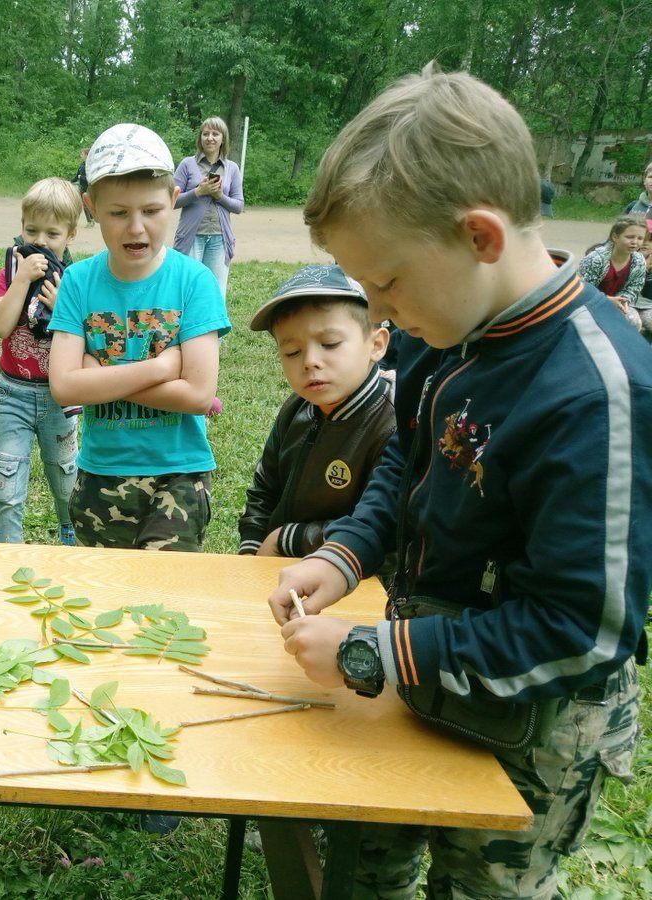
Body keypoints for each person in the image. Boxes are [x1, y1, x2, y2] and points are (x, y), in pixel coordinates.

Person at [269, 64, 649, 898]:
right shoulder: (444, 327)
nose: (376, 310)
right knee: (367, 866)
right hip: (424, 676)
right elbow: (411, 457)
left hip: (531, 738)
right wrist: (344, 556)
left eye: (387, 281)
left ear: (478, 236)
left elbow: (581, 630)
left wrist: (376, 649)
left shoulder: (596, 391)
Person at [49, 122, 231, 553]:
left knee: (163, 603)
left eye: (151, 211)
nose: (136, 228)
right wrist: (162, 367)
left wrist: (102, 377)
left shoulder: (195, 282)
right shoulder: (76, 281)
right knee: (100, 601)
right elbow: (64, 387)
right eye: (117, 213)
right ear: (91, 208)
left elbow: (200, 394)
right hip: (99, 474)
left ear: (172, 201)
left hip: (179, 476)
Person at [238, 264, 394, 559]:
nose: (310, 361)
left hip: (349, 582)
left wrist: (288, 539)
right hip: (276, 572)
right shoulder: (297, 407)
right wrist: (250, 551)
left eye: (330, 344)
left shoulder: (390, 424)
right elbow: (264, 489)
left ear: (376, 344)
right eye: (292, 352)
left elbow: (384, 525)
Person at [0, 177, 81, 546]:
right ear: (21, 228)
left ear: (70, 235)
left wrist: (62, 309)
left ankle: (70, 533)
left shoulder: (75, 280)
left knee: (65, 480)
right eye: (31, 230)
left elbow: (86, 341)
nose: (41, 241)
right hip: (13, 394)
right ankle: (7, 554)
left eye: (52, 233)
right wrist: (20, 282)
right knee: (6, 484)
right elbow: (0, 326)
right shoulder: (12, 271)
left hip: (59, 397)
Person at [172, 116, 245, 299]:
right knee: (188, 289)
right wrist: (198, 192)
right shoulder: (187, 164)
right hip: (191, 238)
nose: (210, 138)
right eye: (205, 134)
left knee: (215, 293)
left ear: (223, 139)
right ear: (200, 138)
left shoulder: (232, 168)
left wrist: (219, 196)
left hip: (219, 240)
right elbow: (170, 200)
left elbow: (238, 205)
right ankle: (187, 327)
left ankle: (215, 328)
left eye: (215, 133)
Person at [578, 214, 647, 330]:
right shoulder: (596, 259)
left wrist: (623, 300)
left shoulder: (639, 261)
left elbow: (635, 286)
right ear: (615, 237)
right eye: (630, 237)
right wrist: (606, 300)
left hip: (618, 303)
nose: (635, 242)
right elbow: (582, 288)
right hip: (588, 303)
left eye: (640, 238)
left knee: (633, 322)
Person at [74, 148, 94, 226]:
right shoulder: (81, 165)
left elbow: (89, 178)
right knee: (87, 204)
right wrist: (69, 181)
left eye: (82, 154)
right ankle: (91, 220)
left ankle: (89, 222)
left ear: (86, 155)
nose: (81, 155)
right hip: (82, 187)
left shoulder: (90, 166)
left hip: (88, 188)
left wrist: (81, 177)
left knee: (86, 204)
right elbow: (76, 177)